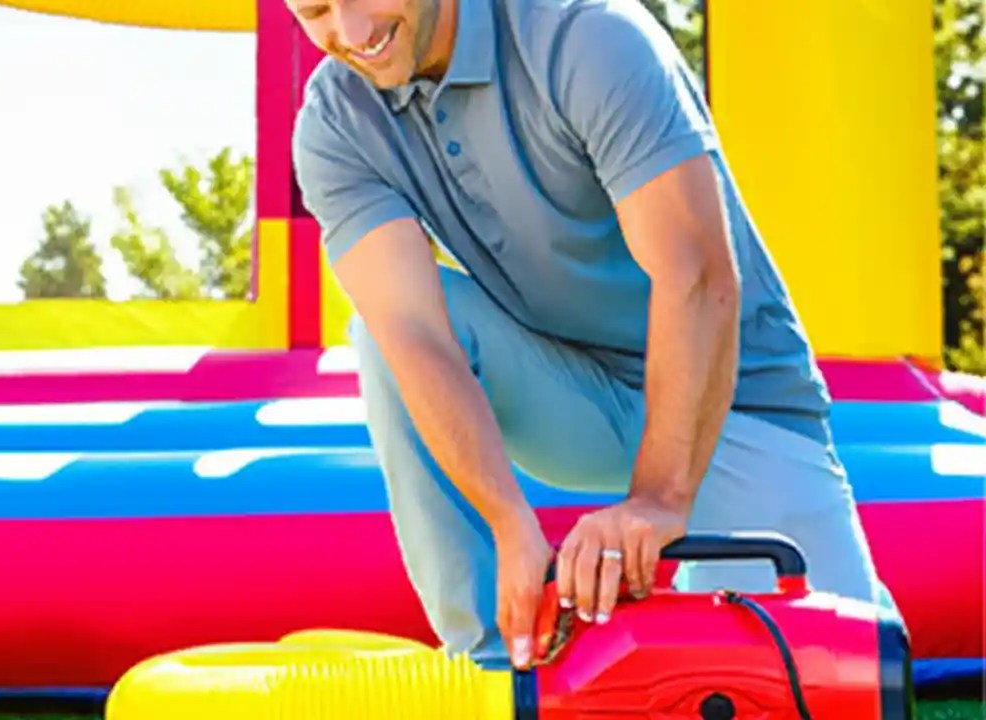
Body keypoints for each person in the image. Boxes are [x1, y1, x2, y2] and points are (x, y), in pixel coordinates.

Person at [287, 0, 883, 673]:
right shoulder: (334, 124)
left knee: (845, 677)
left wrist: (657, 502)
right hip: (569, 398)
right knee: (382, 331)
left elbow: (696, 273)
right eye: (314, 11)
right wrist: (508, 523)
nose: (353, 33)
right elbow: (416, 336)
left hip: (733, 404)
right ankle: (491, 671)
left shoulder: (588, 32)